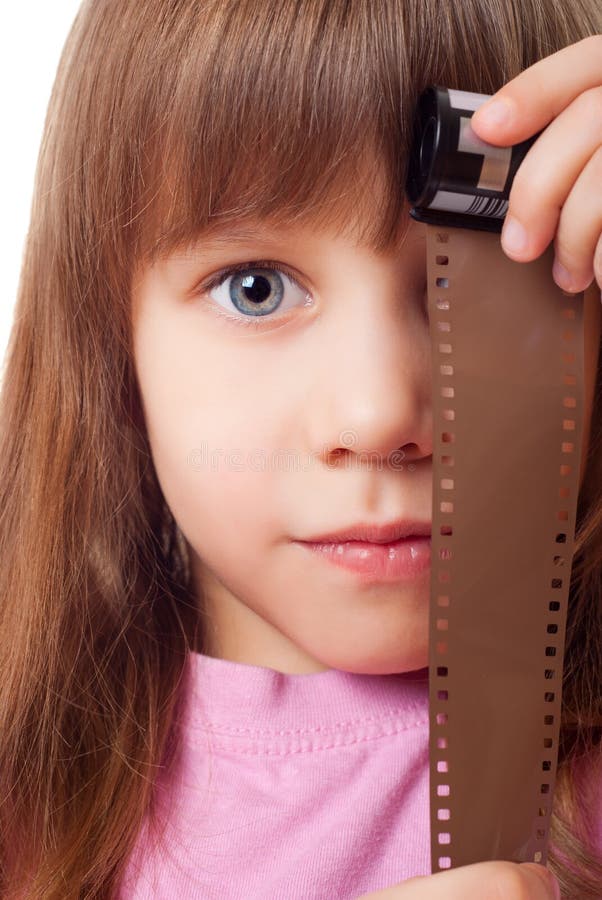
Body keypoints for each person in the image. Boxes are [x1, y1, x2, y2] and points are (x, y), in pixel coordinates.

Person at [0, 1, 600, 897]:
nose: (379, 416)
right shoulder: (24, 804)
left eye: (486, 274)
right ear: (110, 350)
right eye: (255, 288)